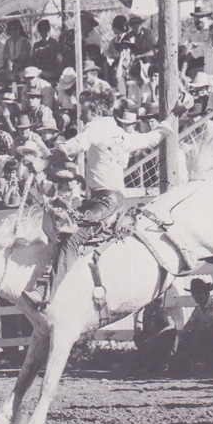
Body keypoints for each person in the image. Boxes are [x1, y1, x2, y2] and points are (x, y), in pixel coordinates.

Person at [23, 89, 173, 310]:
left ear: (95, 111)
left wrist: (43, 163)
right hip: (109, 202)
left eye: (84, 111)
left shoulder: (95, 127)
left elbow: (74, 146)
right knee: (65, 232)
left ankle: (46, 293)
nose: (82, 116)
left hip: (105, 202)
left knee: (71, 238)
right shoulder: (121, 134)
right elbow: (153, 138)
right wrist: (174, 115)